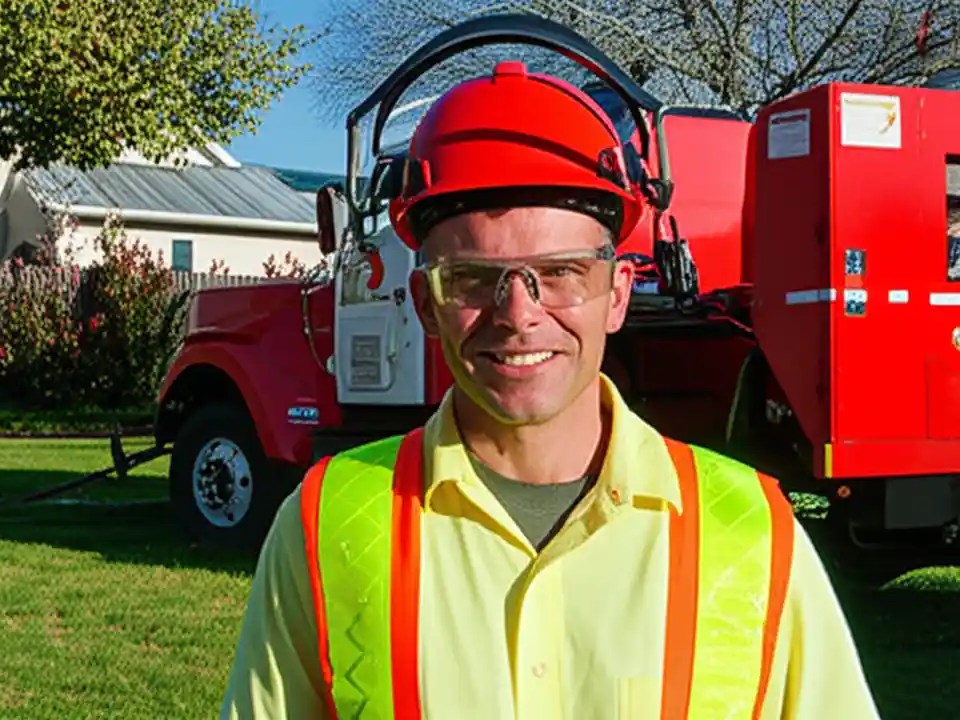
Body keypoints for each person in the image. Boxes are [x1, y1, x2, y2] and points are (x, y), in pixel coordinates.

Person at [220, 60, 880, 719]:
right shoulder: (323, 526)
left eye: (560, 272)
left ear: (617, 294)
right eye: (475, 278)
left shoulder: (752, 532)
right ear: (424, 302)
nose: (518, 313)